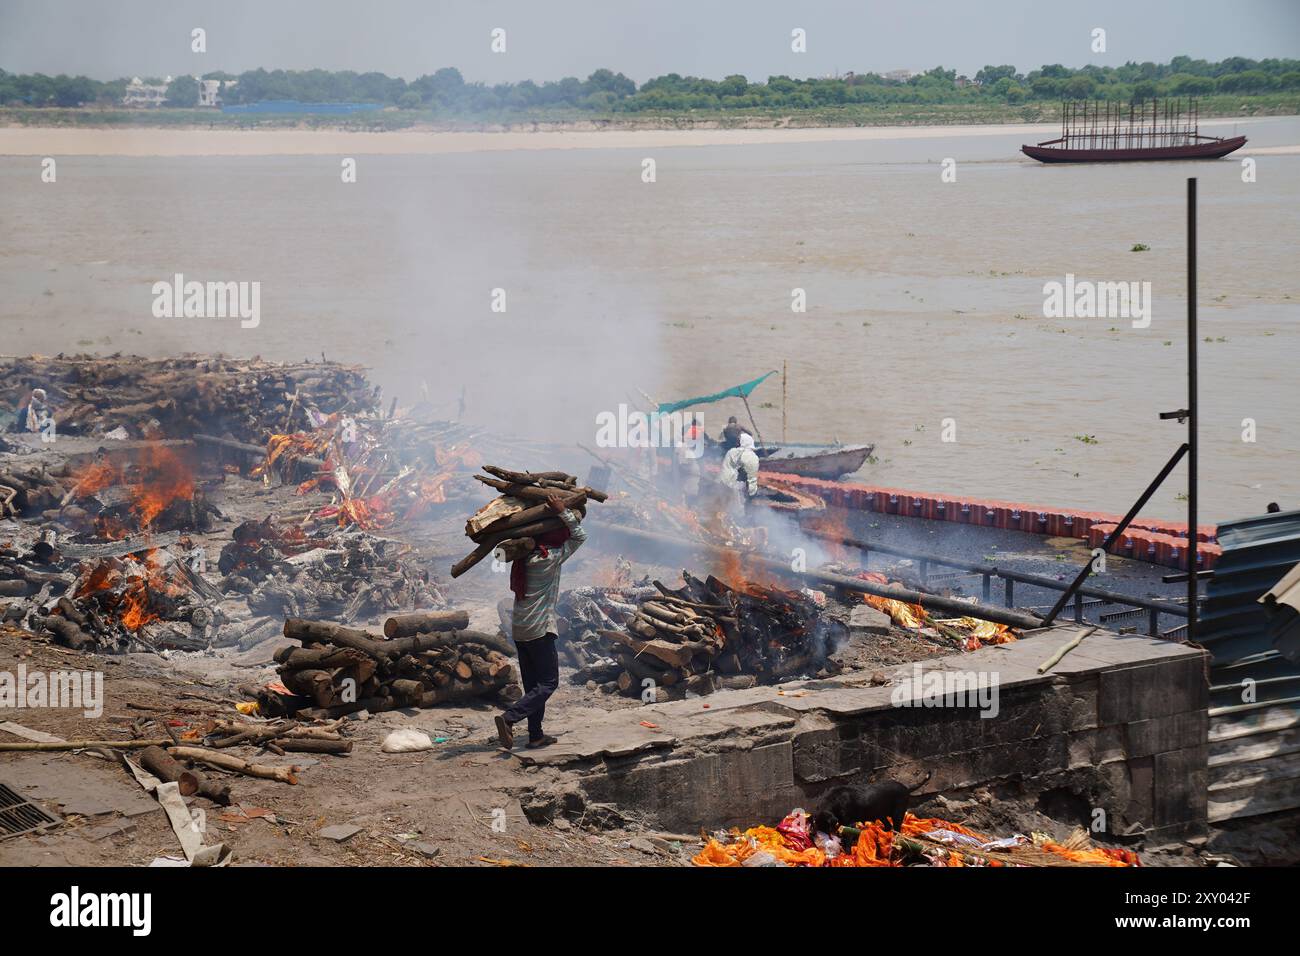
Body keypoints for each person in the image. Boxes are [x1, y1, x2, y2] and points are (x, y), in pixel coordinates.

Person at [495, 493, 586, 751]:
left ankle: (535, 735)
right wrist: (562, 511)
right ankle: (509, 718)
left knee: (533, 686)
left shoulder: (522, 559)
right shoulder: (549, 557)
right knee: (548, 683)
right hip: (539, 630)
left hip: (520, 630)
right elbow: (580, 535)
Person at [719, 432, 760, 515]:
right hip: (736, 486)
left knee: (726, 508)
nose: (737, 443)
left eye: (739, 441)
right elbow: (751, 478)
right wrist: (752, 493)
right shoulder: (753, 457)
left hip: (724, 484)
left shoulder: (732, 452)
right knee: (738, 511)